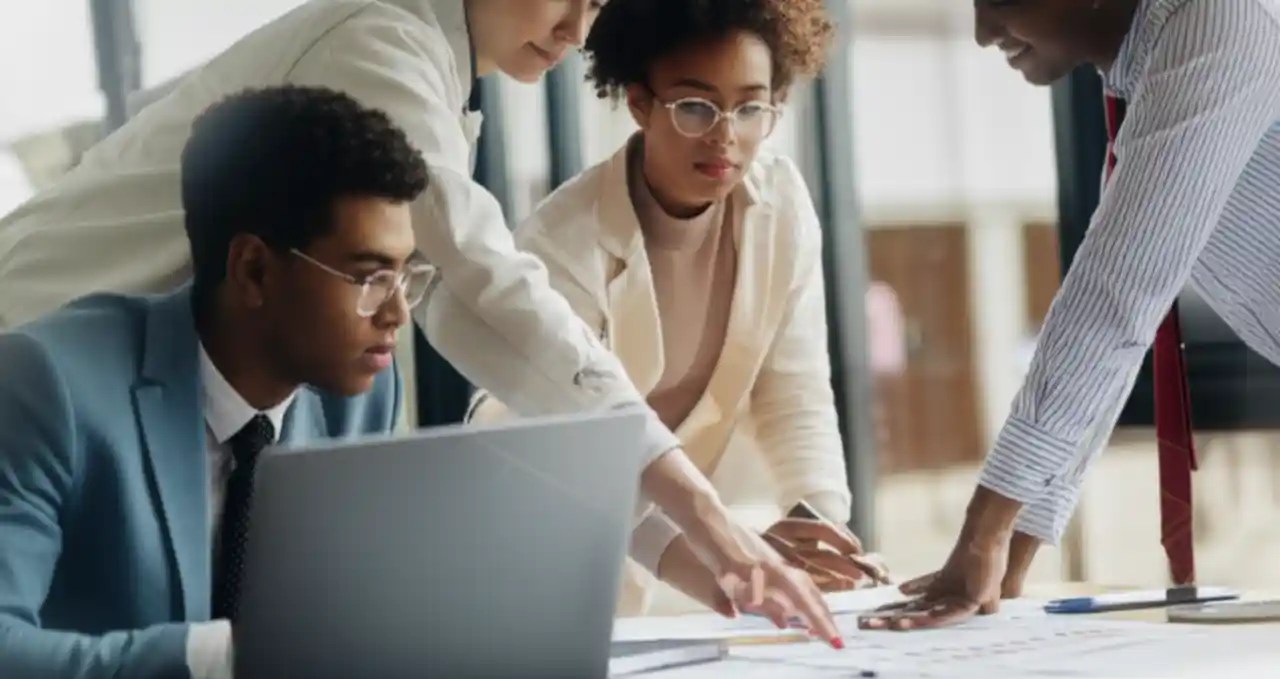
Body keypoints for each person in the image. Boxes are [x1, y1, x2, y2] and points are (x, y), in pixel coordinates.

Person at [0, 1, 839, 640]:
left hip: (137, 390)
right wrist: (702, 508)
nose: (580, 28)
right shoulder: (382, 43)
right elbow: (478, 278)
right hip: (37, 361)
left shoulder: (426, 63)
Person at [0, 85, 429, 679]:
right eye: (368, 278)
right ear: (253, 270)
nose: (395, 313)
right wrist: (235, 658)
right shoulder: (48, 385)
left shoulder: (360, 390)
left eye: (405, 276)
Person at [862, 0, 1280, 631]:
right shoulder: (1161, 65)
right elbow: (1116, 318)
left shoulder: (1222, 22)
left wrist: (982, 534)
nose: (981, 33)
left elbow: (1115, 301)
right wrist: (1008, 549)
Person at [468, 0, 885, 616]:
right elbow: (577, 455)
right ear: (639, 103)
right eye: (695, 106)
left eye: (751, 108)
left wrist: (818, 533)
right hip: (521, 547)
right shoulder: (562, 243)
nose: (726, 134)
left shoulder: (780, 201)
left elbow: (794, 393)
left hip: (659, 555)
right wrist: (727, 563)